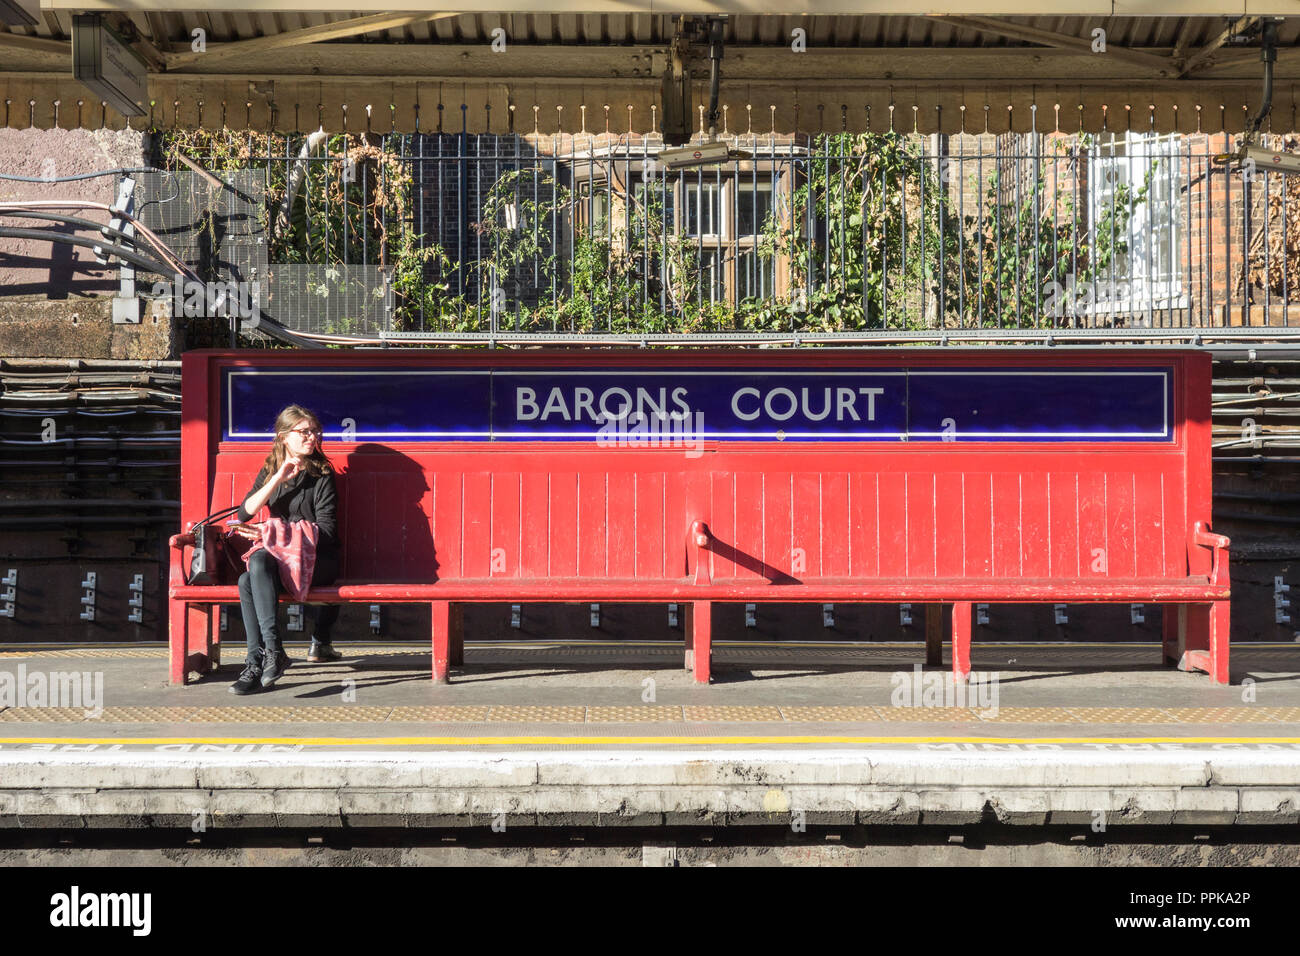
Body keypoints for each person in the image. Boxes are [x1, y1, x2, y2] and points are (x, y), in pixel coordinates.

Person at [228, 404, 342, 694]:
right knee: (251, 572)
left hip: (317, 562)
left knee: (251, 575)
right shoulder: (270, 470)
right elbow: (244, 514)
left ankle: (264, 656)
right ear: (283, 437)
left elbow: (327, 533)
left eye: (315, 432)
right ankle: (264, 656)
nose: (312, 437)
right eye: (304, 432)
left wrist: (270, 531)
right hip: (278, 563)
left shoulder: (323, 474)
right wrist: (278, 477)